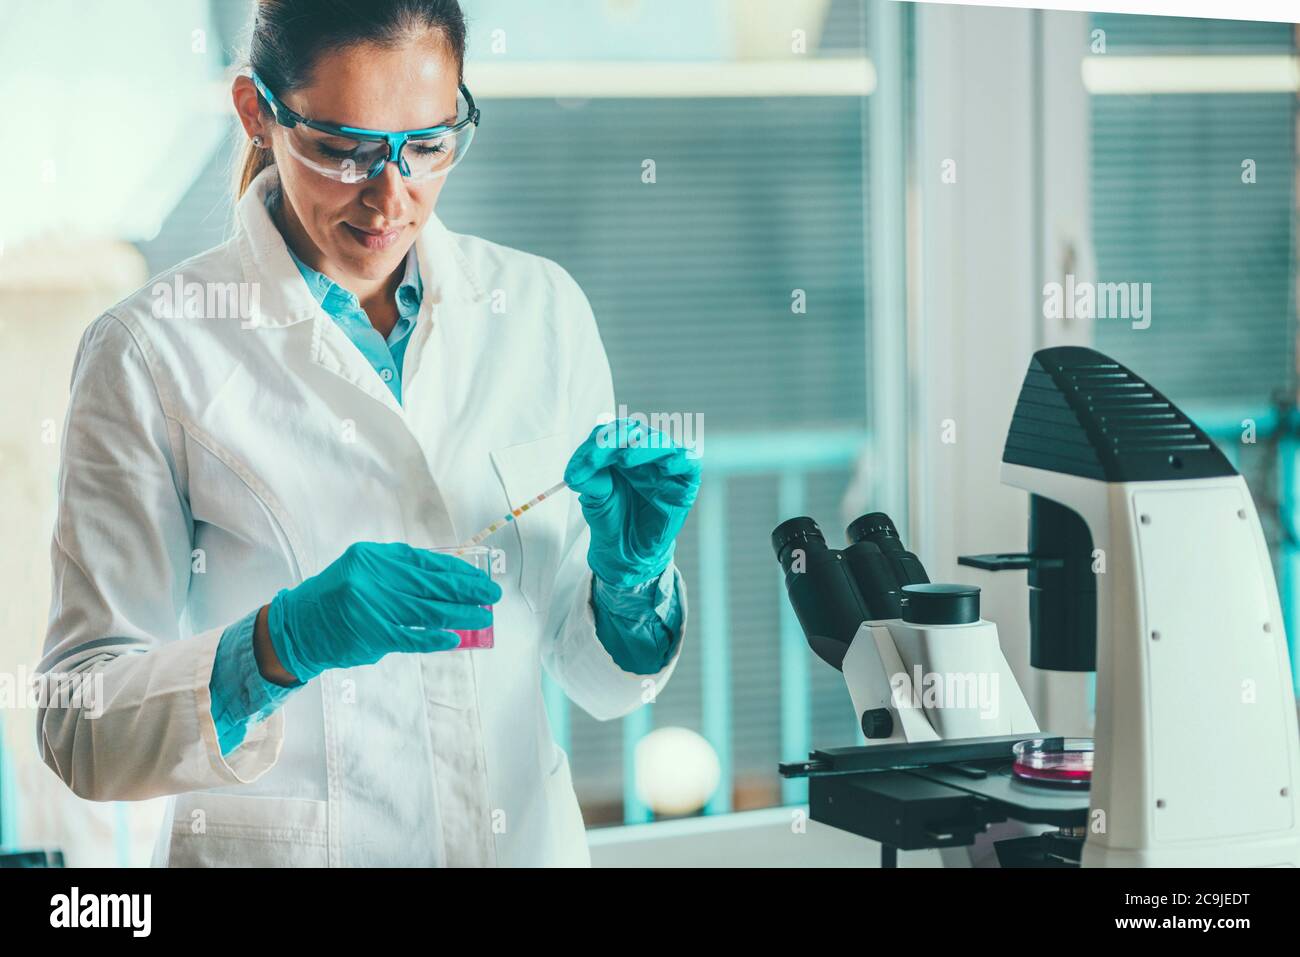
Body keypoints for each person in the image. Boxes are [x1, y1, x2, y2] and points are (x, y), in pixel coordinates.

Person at [35, 0, 699, 867]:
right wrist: (279, 642)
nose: (391, 196)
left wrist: (628, 584)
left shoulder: (539, 311)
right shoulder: (150, 350)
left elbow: (602, 682)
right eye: (345, 148)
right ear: (257, 113)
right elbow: (80, 725)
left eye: (427, 144)